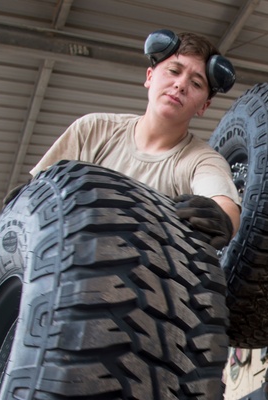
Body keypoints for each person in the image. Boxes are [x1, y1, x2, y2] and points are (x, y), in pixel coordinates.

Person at [30, 30, 241, 248]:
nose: (180, 85)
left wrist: (223, 219)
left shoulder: (201, 160)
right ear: (149, 77)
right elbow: (38, 193)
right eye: (174, 71)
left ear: (204, 106)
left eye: (196, 83)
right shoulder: (93, 130)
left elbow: (224, 205)